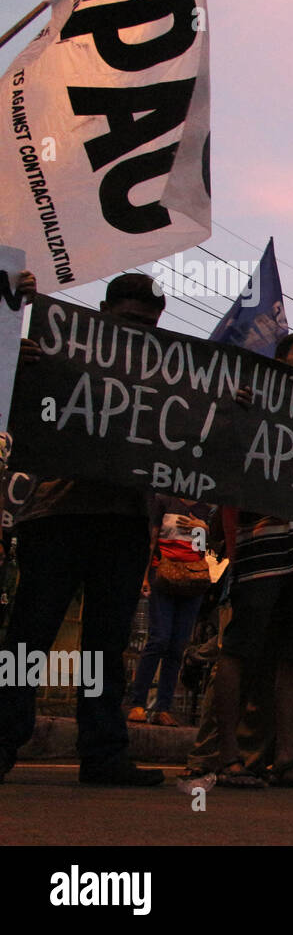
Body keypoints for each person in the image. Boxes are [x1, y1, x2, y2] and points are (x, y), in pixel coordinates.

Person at [0, 272, 168, 786]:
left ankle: (102, 752)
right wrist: (16, 365)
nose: (139, 330)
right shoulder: (55, 354)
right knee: (30, 636)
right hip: (57, 515)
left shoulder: (164, 375)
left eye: (149, 323)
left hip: (124, 522)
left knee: (106, 643)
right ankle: (6, 739)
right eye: (130, 320)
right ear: (102, 310)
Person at [208, 331, 293, 790]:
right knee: (241, 645)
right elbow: (218, 457)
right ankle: (227, 758)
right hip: (262, 541)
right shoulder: (251, 404)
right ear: (280, 361)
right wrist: (236, 410)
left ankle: (286, 758)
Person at [127, 496, 214, 727]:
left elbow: (213, 552)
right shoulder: (164, 501)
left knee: (177, 645)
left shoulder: (207, 508)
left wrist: (205, 530)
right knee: (159, 639)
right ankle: (138, 702)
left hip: (193, 580)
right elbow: (152, 539)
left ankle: (163, 707)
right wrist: (145, 575)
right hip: (163, 575)